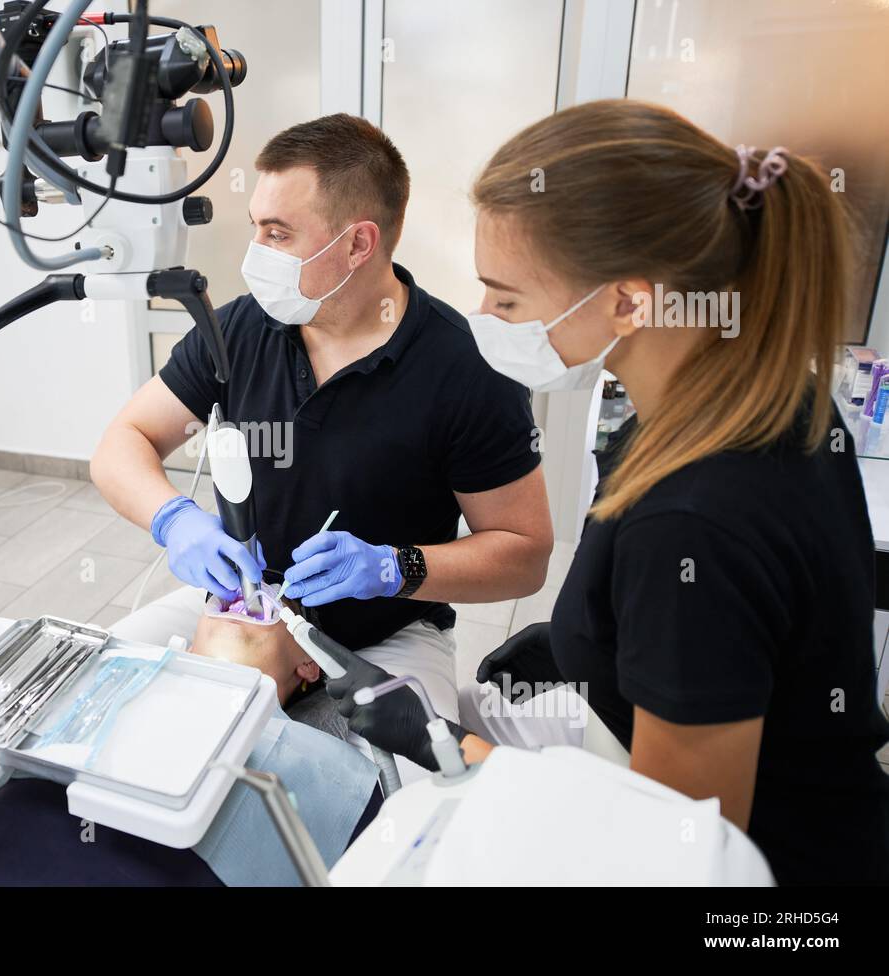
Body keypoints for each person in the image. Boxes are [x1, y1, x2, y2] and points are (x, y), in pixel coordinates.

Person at [324, 99, 889, 886]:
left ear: (627, 300)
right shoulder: (740, 392)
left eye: (507, 298)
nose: (482, 316)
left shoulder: (697, 521)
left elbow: (677, 848)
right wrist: (577, 646)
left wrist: (465, 754)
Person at [91, 114, 553, 779]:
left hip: (389, 634)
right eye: (256, 226)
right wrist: (176, 520)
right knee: (93, 701)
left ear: (358, 243)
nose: (256, 252)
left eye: (277, 233)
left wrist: (398, 568)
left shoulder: (466, 372)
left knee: (408, 804)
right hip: (245, 605)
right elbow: (121, 443)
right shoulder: (242, 329)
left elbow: (524, 555)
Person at [0, 594, 385, 887]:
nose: (244, 591)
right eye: (219, 590)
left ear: (309, 665)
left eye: (270, 594)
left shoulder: (339, 774)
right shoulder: (67, 698)